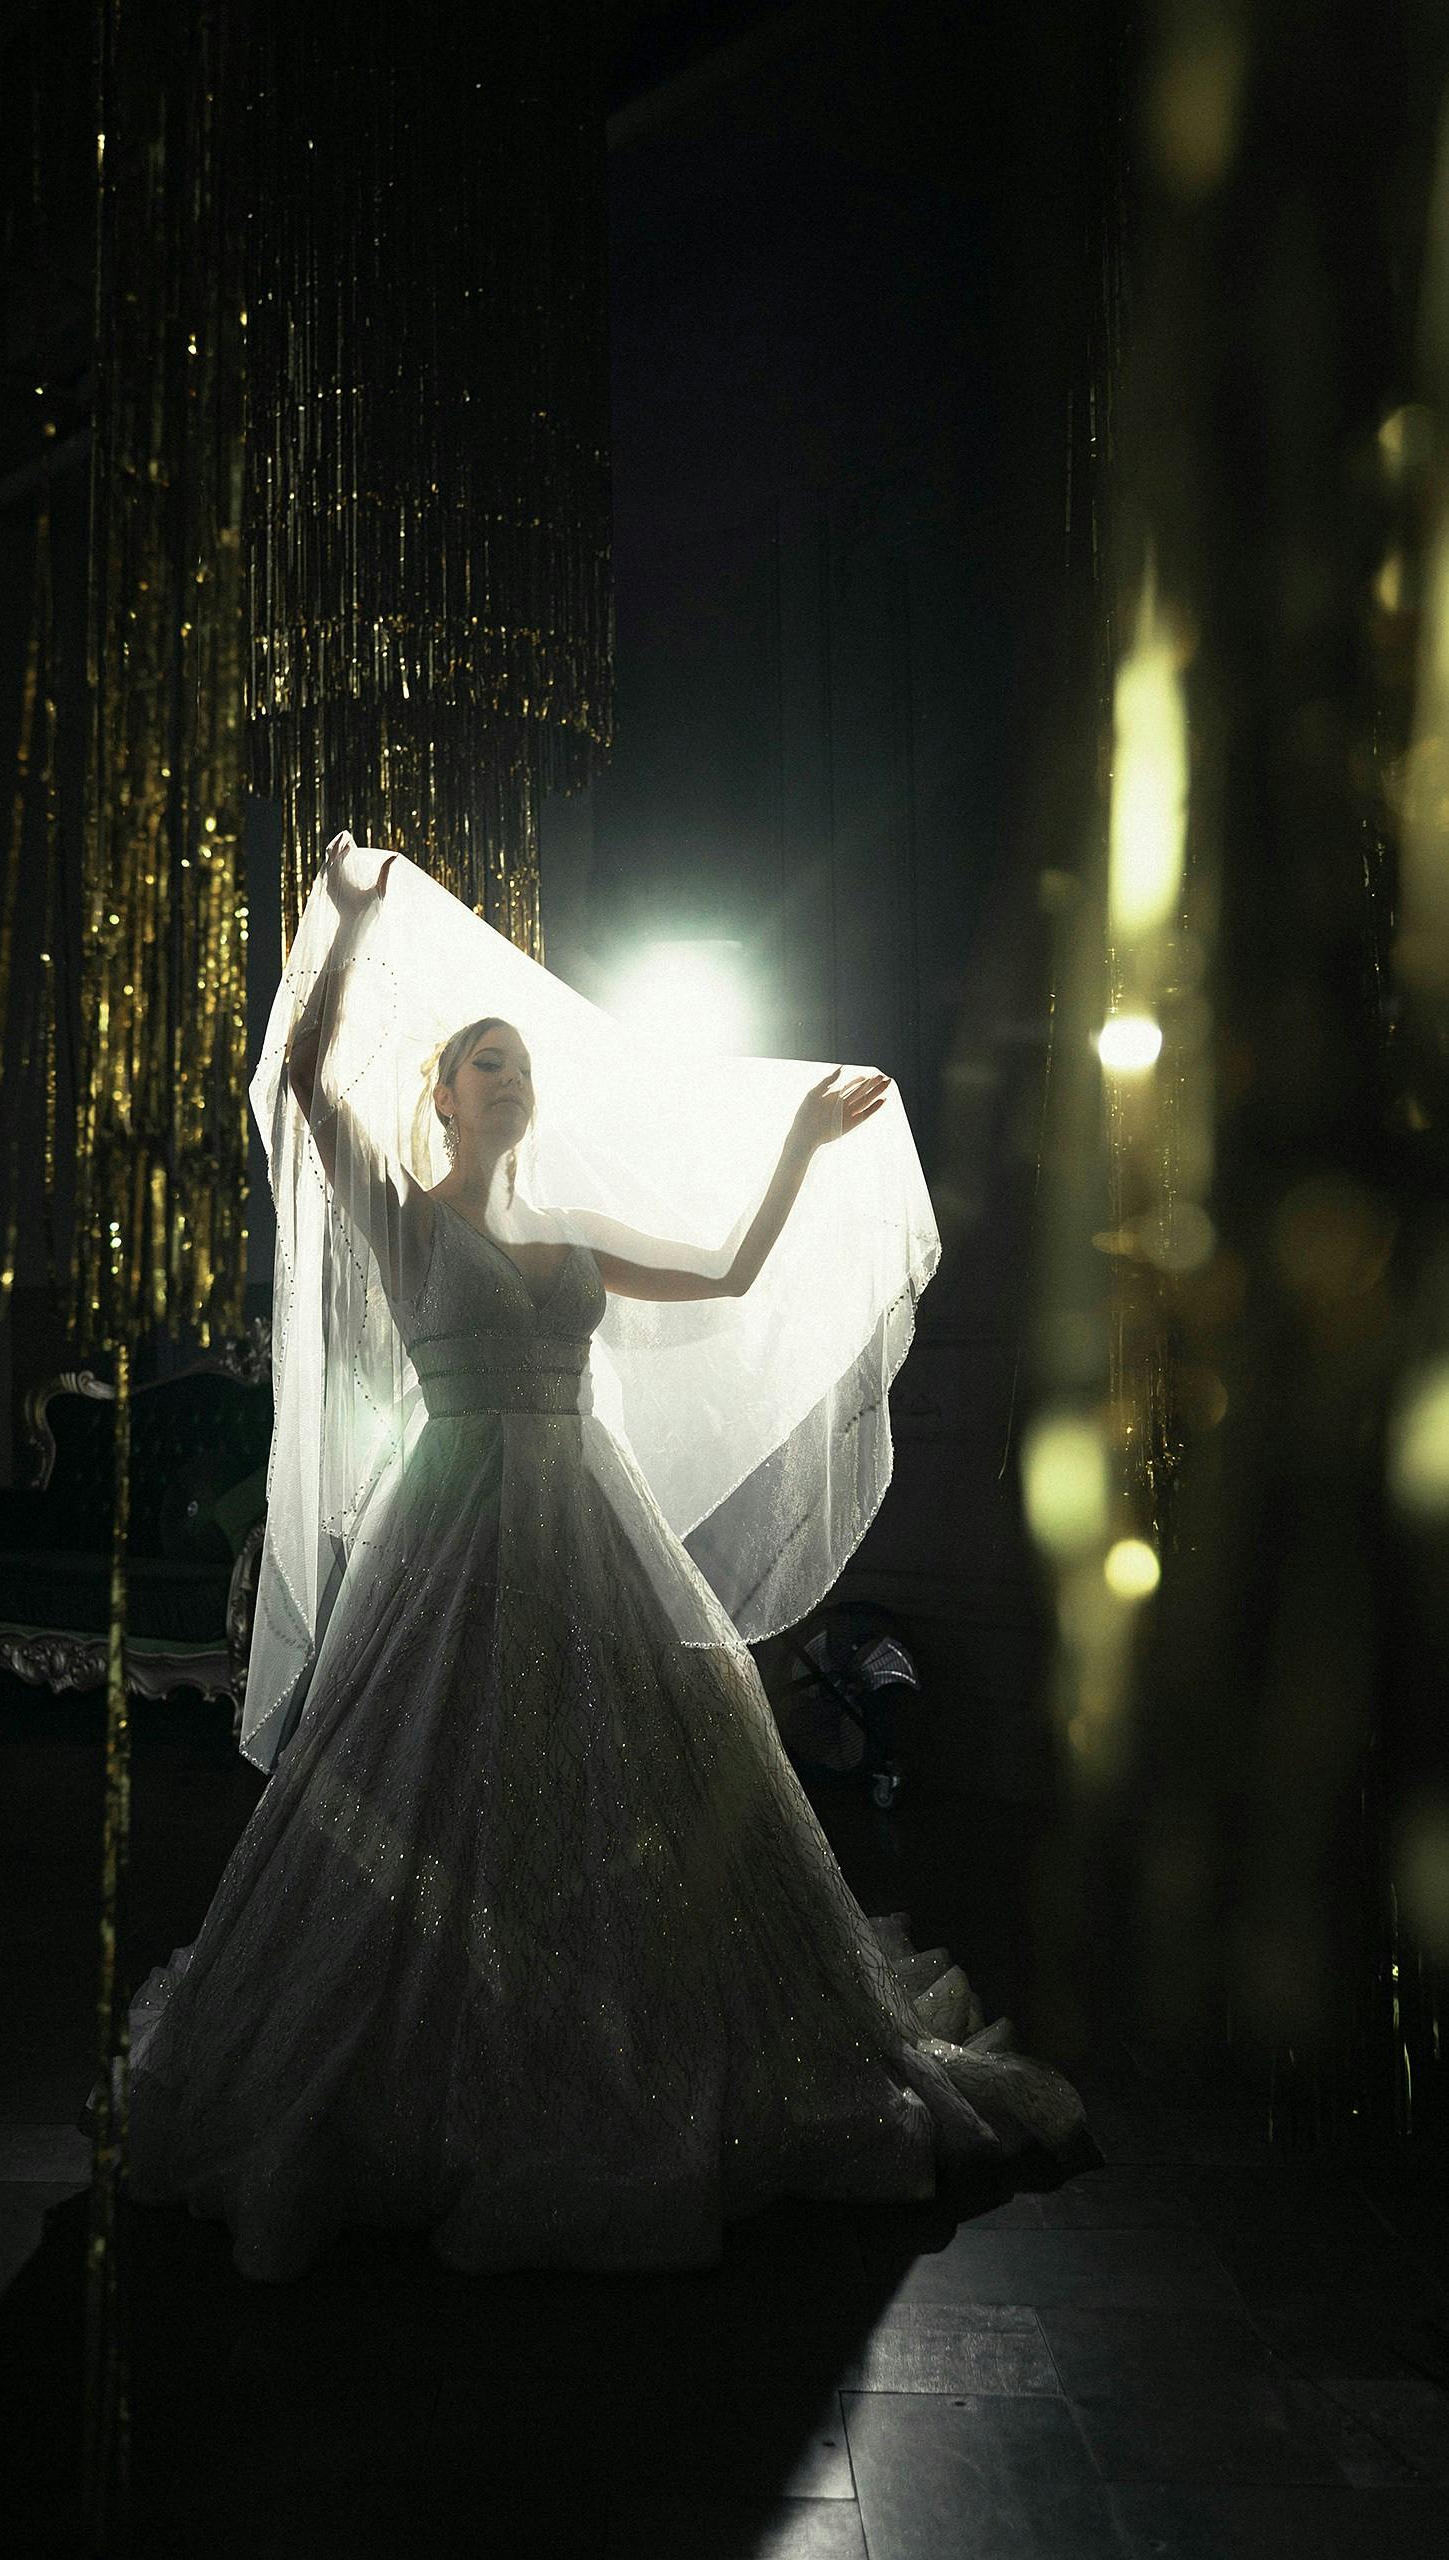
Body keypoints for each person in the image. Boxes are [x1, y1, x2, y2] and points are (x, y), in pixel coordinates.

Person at [118, 835, 1093, 2276]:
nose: (507, 1083)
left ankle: (645, 2031)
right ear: (439, 1097)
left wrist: (802, 1143)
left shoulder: (566, 1225)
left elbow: (725, 1268)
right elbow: (311, 1081)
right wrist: (334, 923)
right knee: (427, 1773)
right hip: (452, 1518)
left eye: (517, 1066)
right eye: (482, 1067)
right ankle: (426, 2050)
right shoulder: (405, 1208)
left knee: (643, 1770)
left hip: (588, 1506)